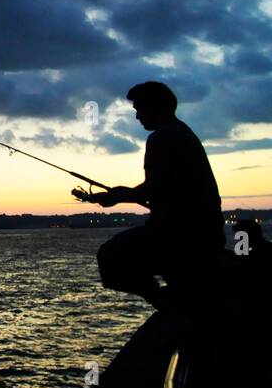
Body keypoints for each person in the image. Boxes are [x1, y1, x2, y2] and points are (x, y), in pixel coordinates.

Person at [72, 81, 223, 311]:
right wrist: (123, 194)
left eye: (139, 110)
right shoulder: (182, 132)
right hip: (204, 233)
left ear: (154, 107)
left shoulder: (162, 138)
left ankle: (164, 304)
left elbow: (154, 188)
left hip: (180, 236)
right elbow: (165, 188)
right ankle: (174, 300)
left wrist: (117, 196)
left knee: (110, 258)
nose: (137, 117)